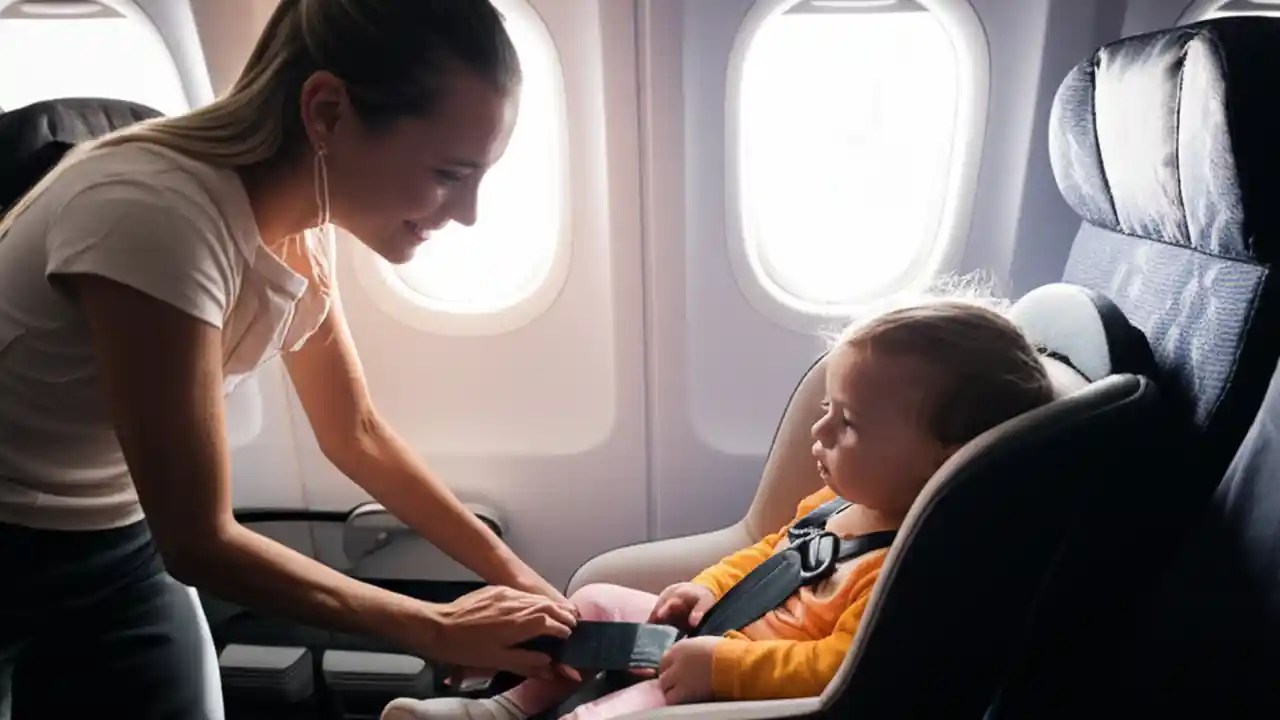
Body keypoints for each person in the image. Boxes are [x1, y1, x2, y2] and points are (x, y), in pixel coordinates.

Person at [0, 1, 578, 717]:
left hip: (119, 539)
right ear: (328, 113)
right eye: (449, 173)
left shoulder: (303, 219)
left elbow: (355, 433)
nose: (467, 213)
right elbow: (200, 541)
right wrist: (435, 629)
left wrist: (522, 582)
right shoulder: (155, 219)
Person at [384, 298, 1057, 720]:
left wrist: (720, 667)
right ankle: (508, 706)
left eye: (846, 424)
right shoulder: (838, 505)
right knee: (588, 604)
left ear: (943, 460)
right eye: (826, 411)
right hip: (708, 637)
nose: (818, 435)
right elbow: (767, 554)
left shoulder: (902, 570)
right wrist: (703, 589)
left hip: (738, 687)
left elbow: (834, 668)